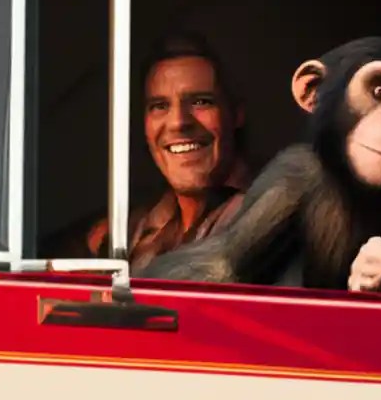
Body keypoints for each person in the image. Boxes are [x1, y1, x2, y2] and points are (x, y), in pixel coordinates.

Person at [47, 31, 253, 270]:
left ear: (236, 114)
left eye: (200, 101)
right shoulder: (138, 225)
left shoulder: (269, 213)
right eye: (159, 106)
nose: (178, 122)